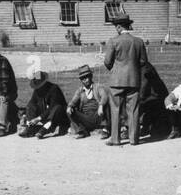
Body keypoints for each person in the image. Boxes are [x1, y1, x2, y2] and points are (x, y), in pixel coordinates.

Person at [102, 14, 147, 146]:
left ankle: (115, 139)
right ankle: (134, 139)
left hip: (117, 81)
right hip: (134, 80)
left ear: (120, 26)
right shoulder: (138, 41)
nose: (116, 28)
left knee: (115, 109)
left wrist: (114, 68)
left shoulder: (113, 41)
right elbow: (144, 61)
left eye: (116, 26)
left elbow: (107, 62)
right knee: (133, 110)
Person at [19, 72, 70, 138]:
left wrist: (38, 118)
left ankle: (44, 130)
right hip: (44, 115)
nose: (38, 88)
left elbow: (52, 107)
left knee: (57, 108)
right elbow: (32, 102)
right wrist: (28, 116)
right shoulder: (37, 90)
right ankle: (31, 127)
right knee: (30, 105)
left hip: (57, 116)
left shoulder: (54, 89)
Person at [67, 64, 110, 138]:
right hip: (86, 118)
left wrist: (101, 105)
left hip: (98, 116)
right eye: (82, 78)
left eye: (87, 76)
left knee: (106, 104)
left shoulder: (97, 87)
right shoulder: (80, 91)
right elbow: (73, 101)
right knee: (70, 111)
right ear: (80, 80)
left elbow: (104, 96)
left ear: (91, 76)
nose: (85, 79)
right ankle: (83, 131)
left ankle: (106, 129)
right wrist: (70, 106)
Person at [137, 60, 170, 140]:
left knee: (136, 105)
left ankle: (133, 129)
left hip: (157, 97)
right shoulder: (142, 65)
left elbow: (143, 88)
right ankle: (144, 127)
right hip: (152, 96)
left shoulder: (145, 67)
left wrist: (139, 99)